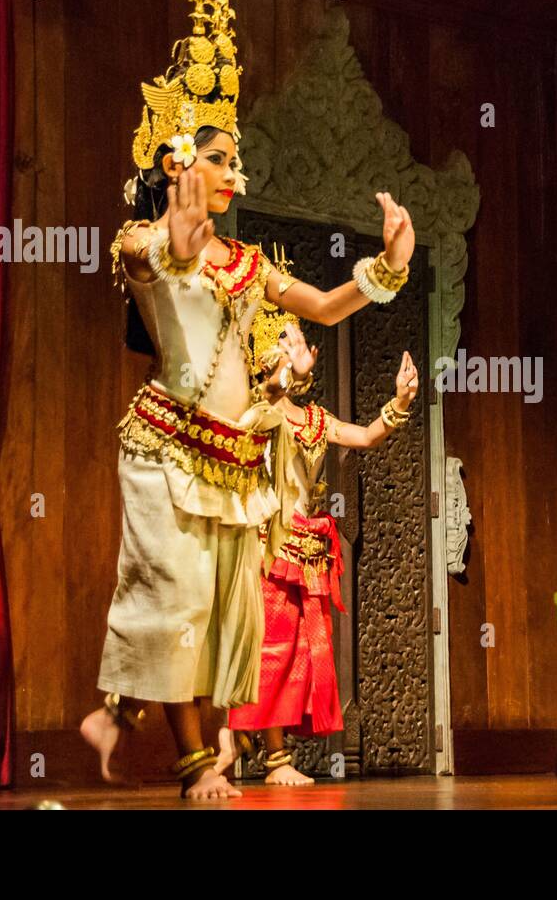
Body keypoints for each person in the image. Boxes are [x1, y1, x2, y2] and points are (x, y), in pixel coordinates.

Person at [78, 0, 416, 800]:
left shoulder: (249, 262)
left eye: (237, 158)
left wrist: (387, 269)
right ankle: (194, 763)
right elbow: (143, 259)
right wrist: (176, 238)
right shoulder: (144, 240)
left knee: (228, 620)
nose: (237, 172)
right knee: (181, 604)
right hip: (166, 447)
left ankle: (153, 727)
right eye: (221, 157)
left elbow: (326, 306)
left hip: (233, 461)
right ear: (175, 160)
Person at [215, 321, 421, 785]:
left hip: (306, 546)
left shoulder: (314, 419)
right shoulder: (254, 409)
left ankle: (257, 749)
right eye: (285, 337)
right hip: (265, 543)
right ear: (266, 353)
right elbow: (248, 425)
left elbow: (365, 437)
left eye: (299, 336)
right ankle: (262, 753)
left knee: (301, 653)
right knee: (269, 647)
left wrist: (401, 402)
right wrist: (278, 383)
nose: (299, 342)